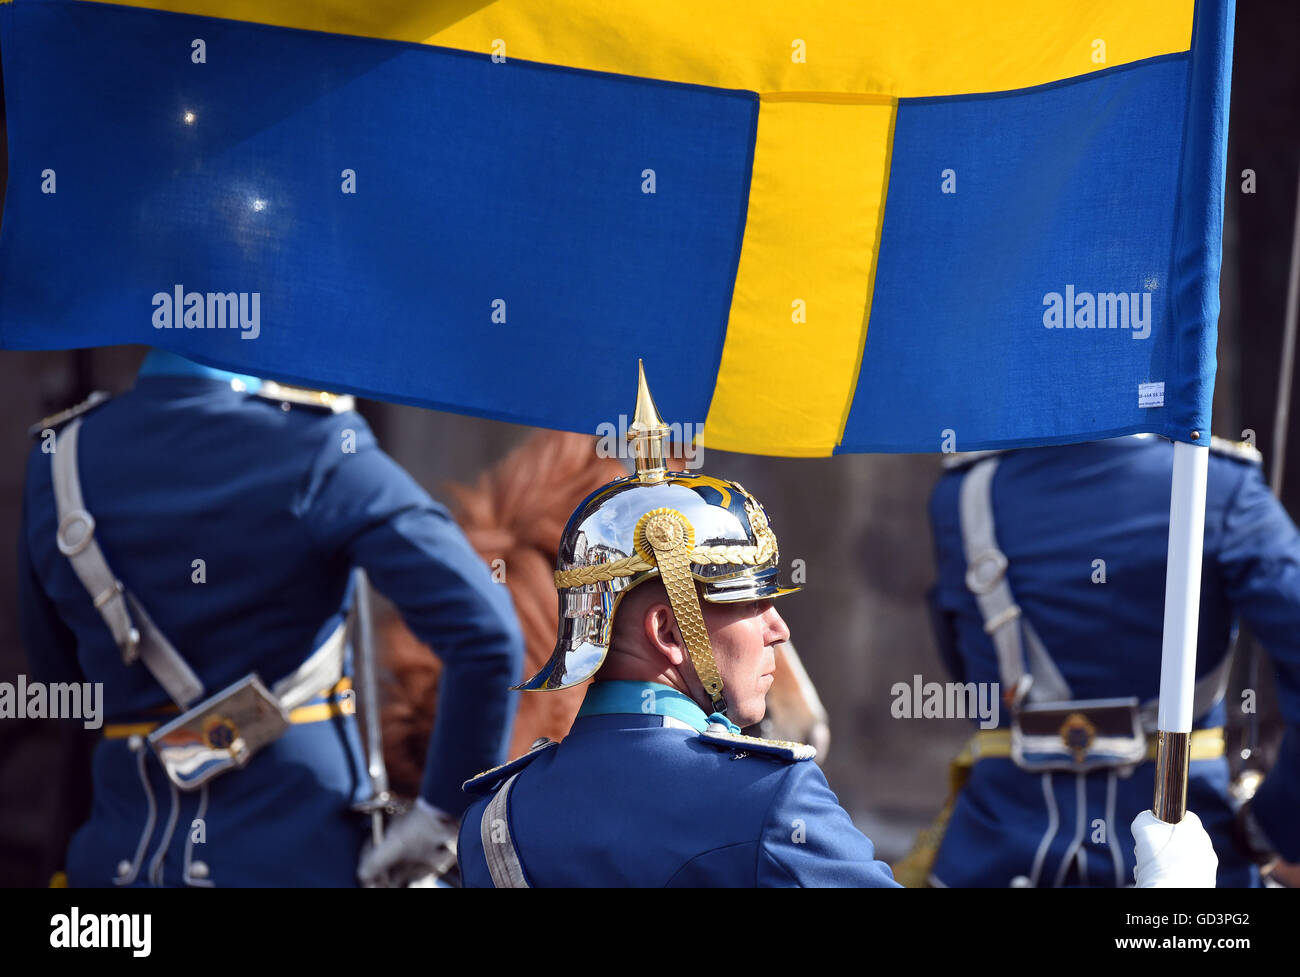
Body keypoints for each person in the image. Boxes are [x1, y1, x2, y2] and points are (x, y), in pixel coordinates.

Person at [456, 365, 1216, 887]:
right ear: (666, 630)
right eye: (752, 603)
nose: (780, 629)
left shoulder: (492, 819)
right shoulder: (770, 801)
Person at [18, 348, 524, 887]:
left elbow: (62, 680)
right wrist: (441, 815)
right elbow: (488, 635)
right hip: (293, 863)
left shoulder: (59, 458)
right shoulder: (317, 444)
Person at [919, 434, 1300, 887]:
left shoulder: (962, 491)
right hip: (1191, 848)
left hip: (996, 854)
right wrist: (1275, 824)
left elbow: (964, 666)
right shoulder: (1221, 483)